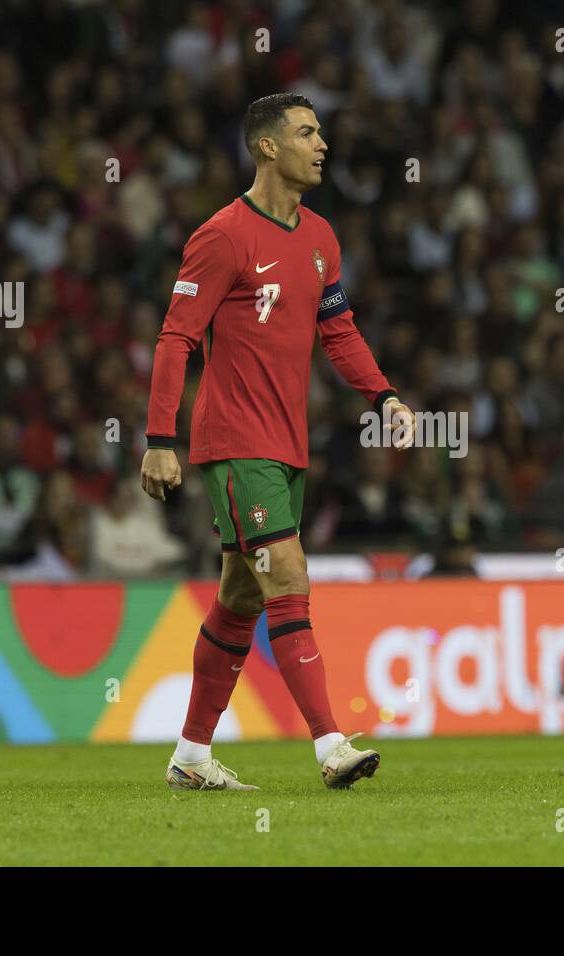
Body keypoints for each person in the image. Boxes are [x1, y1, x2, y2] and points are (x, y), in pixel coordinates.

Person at [141, 93, 415, 791]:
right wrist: (158, 437)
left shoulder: (321, 237)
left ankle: (191, 755)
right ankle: (330, 745)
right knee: (288, 578)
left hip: (288, 444)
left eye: (320, 131)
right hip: (234, 441)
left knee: (240, 595)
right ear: (266, 147)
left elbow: (338, 329)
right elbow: (177, 336)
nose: (321, 144)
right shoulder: (224, 235)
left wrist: (381, 395)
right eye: (305, 132)